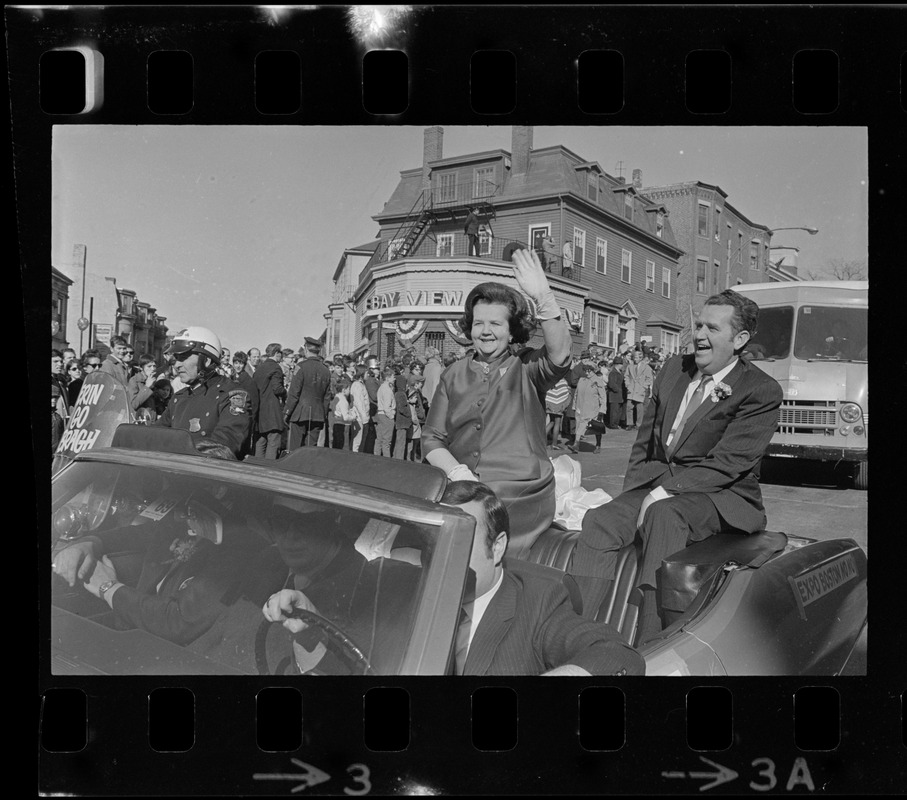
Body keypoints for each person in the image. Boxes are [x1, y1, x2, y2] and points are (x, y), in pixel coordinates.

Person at [568, 290, 784, 643]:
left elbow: (730, 463)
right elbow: (645, 443)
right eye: (698, 325)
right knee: (600, 520)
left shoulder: (760, 389)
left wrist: (661, 495)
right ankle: (573, 633)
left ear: (740, 339)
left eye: (712, 328)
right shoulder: (673, 369)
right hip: (658, 486)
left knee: (664, 516)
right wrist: (632, 497)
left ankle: (651, 646)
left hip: (720, 495)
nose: (699, 335)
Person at [422, 248, 572, 559]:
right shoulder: (452, 375)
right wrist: (456, 471)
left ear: (510, 330)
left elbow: (559, 355)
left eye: (495, 324)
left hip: (521, 493)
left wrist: (544, 297)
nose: (486, 332)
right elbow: (431, 439)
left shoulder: (527, 367)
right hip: (464, 488)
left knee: (477, 551)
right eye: (479, 324)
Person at [440, 481, 644, 676]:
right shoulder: (414, 590)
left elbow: (617, 656)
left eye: (458, 540)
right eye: (436, 540)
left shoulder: (539, 605)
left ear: (497, 547)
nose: (443, 555)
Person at [52, 467, 269, 646]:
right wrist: (87, 544)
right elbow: (136, 536)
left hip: (173, 656)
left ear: (218, 490)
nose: (170, 496)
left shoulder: (241, 546)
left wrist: (108, 588)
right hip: (136, 635)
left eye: (181, 486)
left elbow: (177, 622)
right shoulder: (184, 520)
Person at [153, 326, 252, 458]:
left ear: (206, 360)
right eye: (176, 358)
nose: (177, 365)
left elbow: (225, 443)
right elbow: (156, 433)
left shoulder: (232, 395)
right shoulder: (178, 397)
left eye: (183, 357)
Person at [285, 337, 331, 450]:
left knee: (294, 450)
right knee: (310, 451)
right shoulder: (326, 370)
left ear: (306, 349)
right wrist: (323, 414)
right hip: (317, 415)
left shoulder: (300, 367)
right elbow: (327, 397)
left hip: (299, 414)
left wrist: (287, 412)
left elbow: (294, 393)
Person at [253, 343, 287, 459]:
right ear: (277, 353)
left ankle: (257, 467)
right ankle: (269, 469)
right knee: (274, 441)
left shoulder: (259, 368)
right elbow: (277, 388)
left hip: (260, 411)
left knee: (260, 442)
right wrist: (285, 391)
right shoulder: (276, 367)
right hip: (272, 411)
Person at [569, 362, 606, 454]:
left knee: (597, 428)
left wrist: (602, 410)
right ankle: (576, 444)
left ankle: (598, 445)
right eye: (585, 371)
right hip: (580, 408)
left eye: (589, 371)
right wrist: (574, 405)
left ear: (593, 371)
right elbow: (576, 394)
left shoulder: (598, 381)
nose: (587, 373)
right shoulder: (582, 380)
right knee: (579, 426)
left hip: (593, 409)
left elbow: (603, 397)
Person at [232, 351, 260, 458]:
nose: (238, 366)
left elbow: (255, 402)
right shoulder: (232, 378)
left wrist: (250, 418)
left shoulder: (248, 381)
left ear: (244, 364)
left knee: (243, 447)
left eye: (241, 363)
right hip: (233, 417)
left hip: (244, 419)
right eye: (236, 363)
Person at [624, 349, 655, 430]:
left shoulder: (646, 367)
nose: (635, 359)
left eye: (637, 358)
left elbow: (649, 379)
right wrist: (627, 385)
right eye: (634, 357)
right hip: (631, 389)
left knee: (639, 408)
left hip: (640, 389)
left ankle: (639, 424)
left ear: (641, 358)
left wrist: (644, 386)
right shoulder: (629, 366)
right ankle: (630, 423)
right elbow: (626, 376)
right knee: (629, 407)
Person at [375, 366, 396, 457]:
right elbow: (387, 407)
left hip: (380, 414)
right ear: (387, 378)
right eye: (393, 376)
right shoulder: (387, 390)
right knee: (386, 441)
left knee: (379, 439)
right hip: (386, 416)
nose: (394, 378)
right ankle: (387, 459)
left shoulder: (381, 387)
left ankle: (377, 456)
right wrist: (391, 416)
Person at [330, 375, 357, 449]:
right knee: (343, 447)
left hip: (336, 423)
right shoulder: (343, 401)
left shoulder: (336, 398)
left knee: (336, 446)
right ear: (343, 390)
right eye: (348, 389)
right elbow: (345, 417)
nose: (349, 391)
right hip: (344, 426)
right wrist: (354, 416)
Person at [544, 377, 570, 449]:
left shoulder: (550, 380)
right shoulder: (563, 381)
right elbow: (566, 393)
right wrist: (563, 404)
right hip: (559, 405)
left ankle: (541, 440)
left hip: (550, 404)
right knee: (557, 423)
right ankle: (554, 443)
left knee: (552, 422)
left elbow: (547, 392)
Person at [607, 357, 627, 429]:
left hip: (619, 395)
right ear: (617, 364)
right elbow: (612, 384)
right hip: (614, 395)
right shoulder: (613, 373)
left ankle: (616, 423)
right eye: (621, 364)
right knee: (614, 411)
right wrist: (618, 390)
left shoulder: (620, 372)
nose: (622, 365)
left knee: (618, 411)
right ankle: (613, 424)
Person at [51, 384, 65, 456]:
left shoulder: (58, 417)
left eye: (56, 397)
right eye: (51, 397)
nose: (54, 400)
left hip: (57, 452)